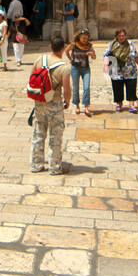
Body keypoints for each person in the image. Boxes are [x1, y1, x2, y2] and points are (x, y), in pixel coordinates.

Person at [30, 37, 72, 174]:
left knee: (38, 132)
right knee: (55, 135)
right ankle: (54, 167)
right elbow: (67, 90)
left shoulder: (39, 60)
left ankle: (36, 165)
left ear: (50, 46)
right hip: (54, 103)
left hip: (39, 101)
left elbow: (31, 78)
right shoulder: (64, 67)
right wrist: (67, 101)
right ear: (63, 49)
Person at [104, 29, 138, 114]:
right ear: (116, 36)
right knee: (117, 88)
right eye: (120, 36)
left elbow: (135, 55)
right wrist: (105, 66)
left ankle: (131, 105)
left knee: (131, 87)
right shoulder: (111, 45)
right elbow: (106, 56)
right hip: (116, 70)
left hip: (130, 70)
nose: (122, 37)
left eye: (123, 35)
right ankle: (119, 104)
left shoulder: (130, 44)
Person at [66, 29, 96, 117]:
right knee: (75, 87)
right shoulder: (74, 44)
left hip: (85, 68)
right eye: (83, 38)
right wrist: (70, 59)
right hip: (75, 68)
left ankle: (86, 106)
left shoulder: (89, 46)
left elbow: (94, 57)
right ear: (79, 37)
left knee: (86, 87)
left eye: (86, 38)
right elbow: (66, 51)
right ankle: (77, 106)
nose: (85, 40)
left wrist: (92, 55)